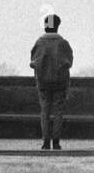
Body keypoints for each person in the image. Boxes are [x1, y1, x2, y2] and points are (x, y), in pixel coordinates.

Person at [30, 13, 73, 150]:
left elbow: (33, 62)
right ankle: (56, 141)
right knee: (58, 111)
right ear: (58, 26)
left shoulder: (39, 43)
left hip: (43, 83)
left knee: (45, 111)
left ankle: (45, 141)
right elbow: (69, 62)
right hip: (60, 83)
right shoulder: (63, 43)